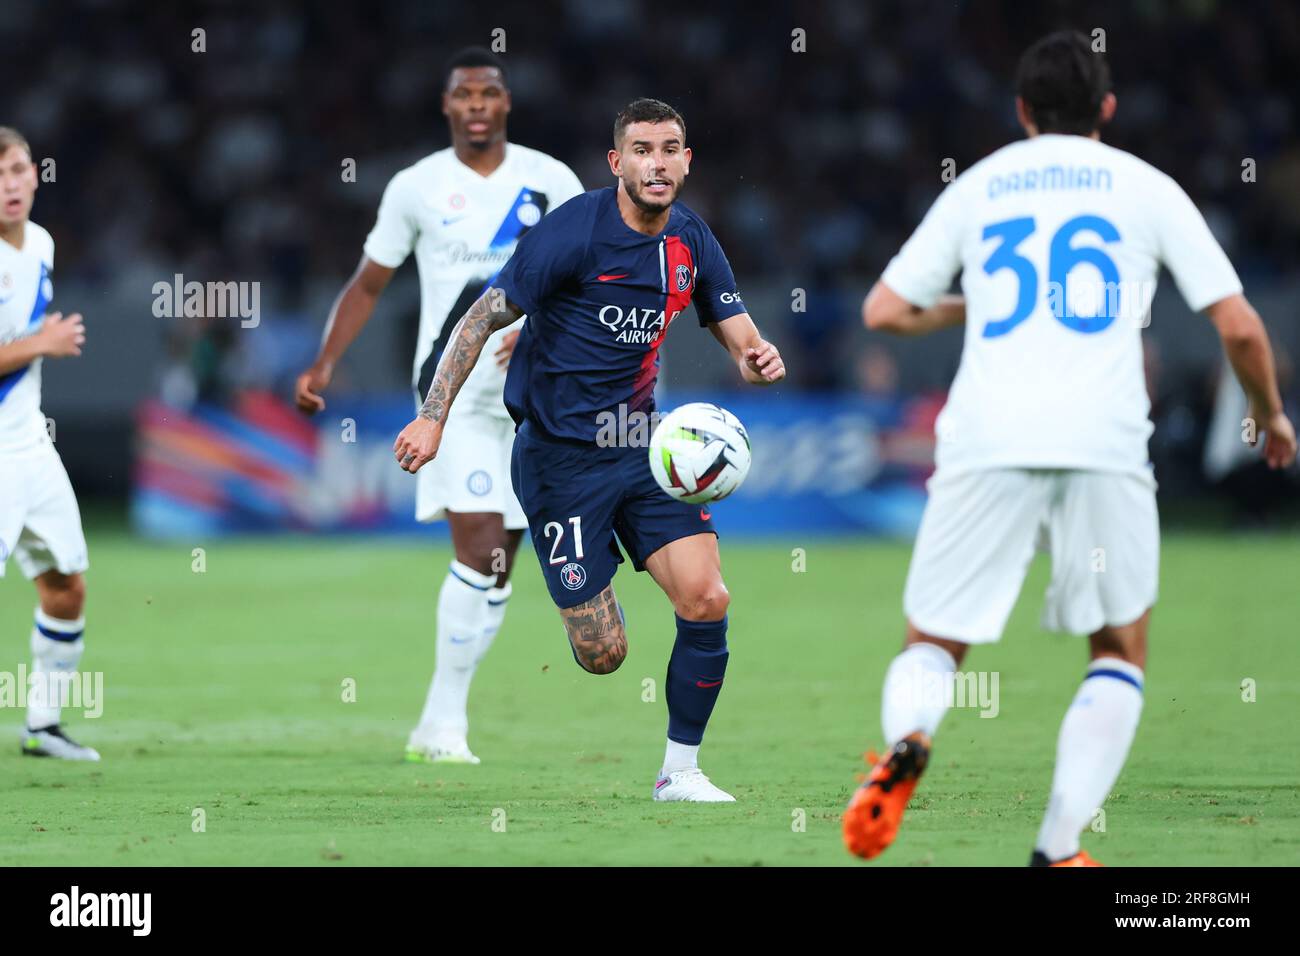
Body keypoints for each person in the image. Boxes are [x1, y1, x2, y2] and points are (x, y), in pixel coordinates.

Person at [845, 30, 1297, 865]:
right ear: (1109, 109)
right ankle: (1057, 847)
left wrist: (972, 304)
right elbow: (1239, 325)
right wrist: (1270, 418)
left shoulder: (980, 187)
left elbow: (884, 311)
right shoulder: (1145, 187)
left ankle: (907, 742)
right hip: (1104, 441)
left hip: (986, 437)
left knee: (933, 640)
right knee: (1118, 648)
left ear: (1021, 112)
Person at [392, 98, 786, 801]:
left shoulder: (691, 239)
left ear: (687, 162)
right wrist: (433, 418)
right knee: (604, 654)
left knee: (707, 597)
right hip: (558, 461)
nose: (657, 163)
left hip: (642, 446)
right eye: (642, 150)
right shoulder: (572, 233)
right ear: (617, 163)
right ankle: (583, 576)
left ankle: (681, 772)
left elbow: (728, 316)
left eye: (670, 149)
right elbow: (483, 317)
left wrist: (753, 353)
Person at [294, 48, 584, 764]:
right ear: (447, 106)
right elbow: (369, 283)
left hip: (537, 400)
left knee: (499, 568)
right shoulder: (416, 187)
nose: (477, 104)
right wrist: (326, 361)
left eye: (489, 92)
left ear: (506, 102)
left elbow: (591, 274)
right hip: (449, 399)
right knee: (481, 548)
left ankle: (433, 720)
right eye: (464, 94)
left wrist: (548, 329)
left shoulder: (553, 180)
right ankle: (448, 725)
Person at [0, 126, 97, 760]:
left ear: (36, 173)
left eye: (15, 170)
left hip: (30, 444)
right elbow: (32, 343)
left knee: (65, 582)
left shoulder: (40, 243)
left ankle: (42, 724)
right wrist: (42, 344)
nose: (9, 187)